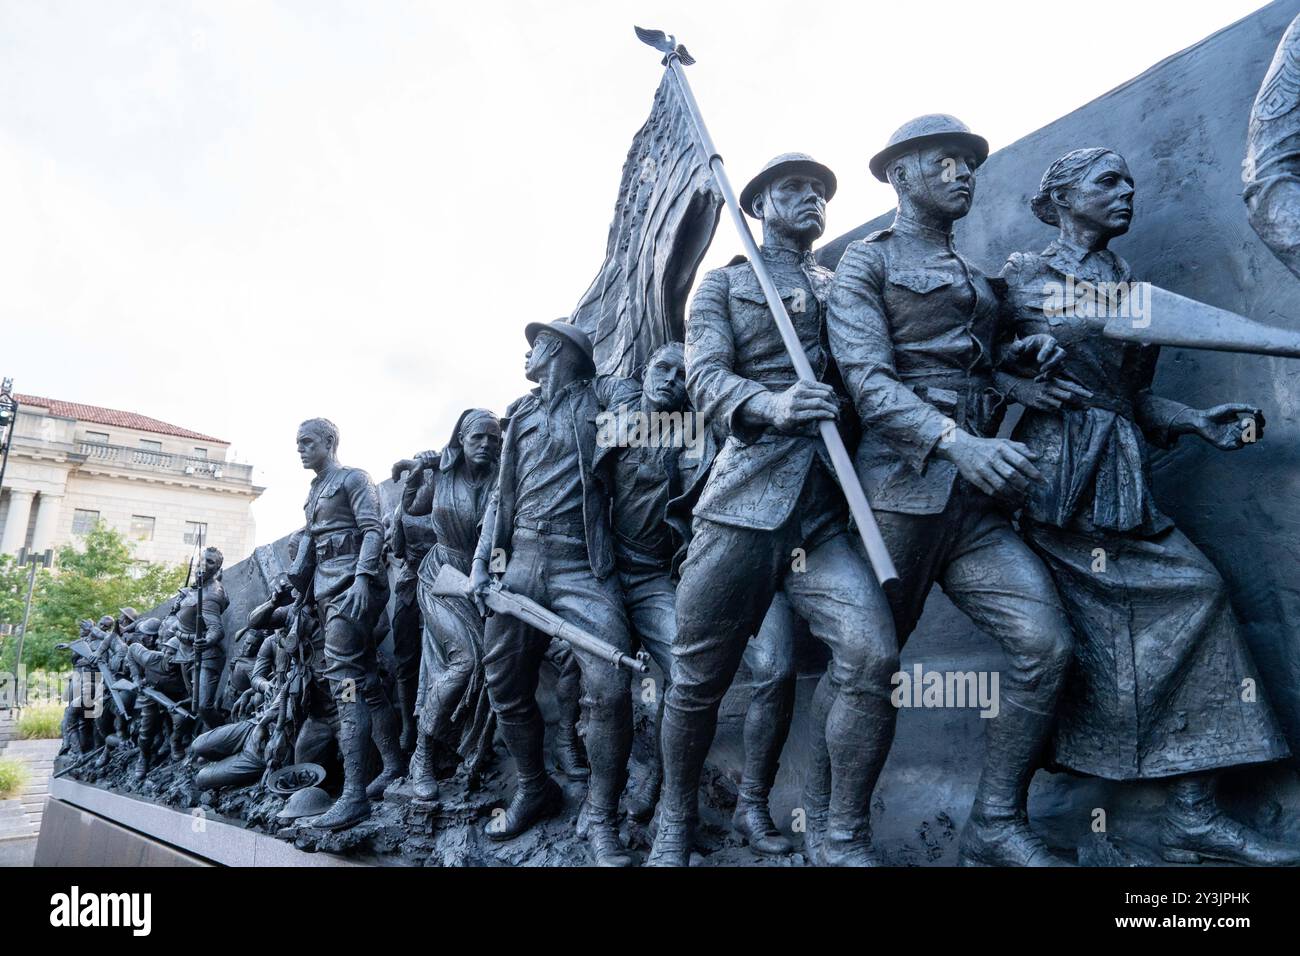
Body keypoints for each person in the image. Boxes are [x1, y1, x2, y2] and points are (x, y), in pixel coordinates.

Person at [1000, 147, 1299, 865]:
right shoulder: (1021, 276)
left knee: (1194, 599)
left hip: (1120, 482)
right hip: (1057, 487)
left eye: (1131, 181)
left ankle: (1191, 813)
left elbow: (1128, 398)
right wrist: (1019, 376)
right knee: (1061, 650)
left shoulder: (1130, 283)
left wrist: (1194, 420)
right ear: (1064, 198)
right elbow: (981, 367)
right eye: (1108, 181)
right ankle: (1006, 818)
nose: (1127, 192)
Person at [826, 115, 1080, 866]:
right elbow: (868, 383)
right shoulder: (863, 266)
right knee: (869, 666)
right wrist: (955, 442)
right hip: (898, 492)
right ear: (901, 175)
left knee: (1045, 645)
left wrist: (1018, 357)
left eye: (970, 163)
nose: (964, 173)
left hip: (974, 504)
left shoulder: (975, 274)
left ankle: (994, 823)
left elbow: (979, 363)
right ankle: (837, 834)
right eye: (945, 163)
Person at [650, 153, 897, 867]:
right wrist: (773, 403)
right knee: (697, 679)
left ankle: (841, 835)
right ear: (758, 205)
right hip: (743, 505)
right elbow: (705, 378)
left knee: (873, 654)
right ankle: (674, 820)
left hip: (823, 513)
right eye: (794, 189)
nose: (812, 199)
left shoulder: (846, 280)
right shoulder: (726, 285)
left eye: (820, 191)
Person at [598, 341, 800, 855]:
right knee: (601, 685)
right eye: (662, 368)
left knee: (692, 672)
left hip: (663, 578)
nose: (670, 378)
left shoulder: (702, 429)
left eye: (682, 373)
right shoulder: (611, 424)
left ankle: (672, 790)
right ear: (644, 371)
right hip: (601, 573)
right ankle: (600, 800)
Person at [466, 320, 636, 866]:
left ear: (559, 350)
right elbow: (501, 496)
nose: (527, 352)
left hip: (583, 566)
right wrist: (481, 566)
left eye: (536, 344)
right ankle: (535, 788)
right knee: (503, 682)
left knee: (610, 689)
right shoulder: (521, 415)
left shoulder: (601, 397)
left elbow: (641, 405)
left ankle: (603, 817)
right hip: (521, 564)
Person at [288, 417, 403, 830]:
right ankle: (391, 767)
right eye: (297, 443)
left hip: (351, 591)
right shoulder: (314, 490)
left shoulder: (354, 478)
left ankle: (354, 796)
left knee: (345, 685)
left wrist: (361, 579)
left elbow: (373, 531)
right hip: (325, 592)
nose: (299, 449)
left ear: (330, 442)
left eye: (307, 442)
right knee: (366, 683)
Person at [401, 408, 502, 799]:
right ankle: (422, 755)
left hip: (479, 582)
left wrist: (496, 576)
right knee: (466, 661)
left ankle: (470, 756)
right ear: (460, 439)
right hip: (440, 578)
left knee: (492, 666)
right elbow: (412, 508)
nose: (486, 445)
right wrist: (418, 471)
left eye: (493, 438)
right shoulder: (443, 476)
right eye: (477, 437)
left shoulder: (500, 480)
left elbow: (501, 538)